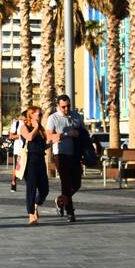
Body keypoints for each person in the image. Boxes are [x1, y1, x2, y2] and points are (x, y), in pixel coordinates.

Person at [45, 95, 85, 223]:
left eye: (68, 106)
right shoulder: (53, 118)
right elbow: (49, 136)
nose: (66, 109)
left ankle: (60, 201)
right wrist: (66, 134)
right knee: (66, 184)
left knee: (77, 183)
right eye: (63, 107)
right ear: (58, 106)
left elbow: (83, 132)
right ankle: (70, 212)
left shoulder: (77, 116)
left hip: (76, 154)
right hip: (61, 154)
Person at [18, 106, 50, 225]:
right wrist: (36, 127)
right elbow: (29, 137)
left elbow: (42, 146)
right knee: (31, 188)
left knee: (44, 189)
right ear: (31, 115)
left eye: (41, 115)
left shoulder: (41, 129)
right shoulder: (24, 127)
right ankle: (31, 214)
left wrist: (51, 143)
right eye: (38, 114)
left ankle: (36, 203)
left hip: (40, 160)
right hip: (29, 161)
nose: (40, 116)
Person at [7, 110, 26, 193]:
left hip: (27, 149)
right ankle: (13, 181)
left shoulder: (31, 124)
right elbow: (10, 136)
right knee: (17, 167)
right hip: (18, 150)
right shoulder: (17, 124)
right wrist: (20, 135)